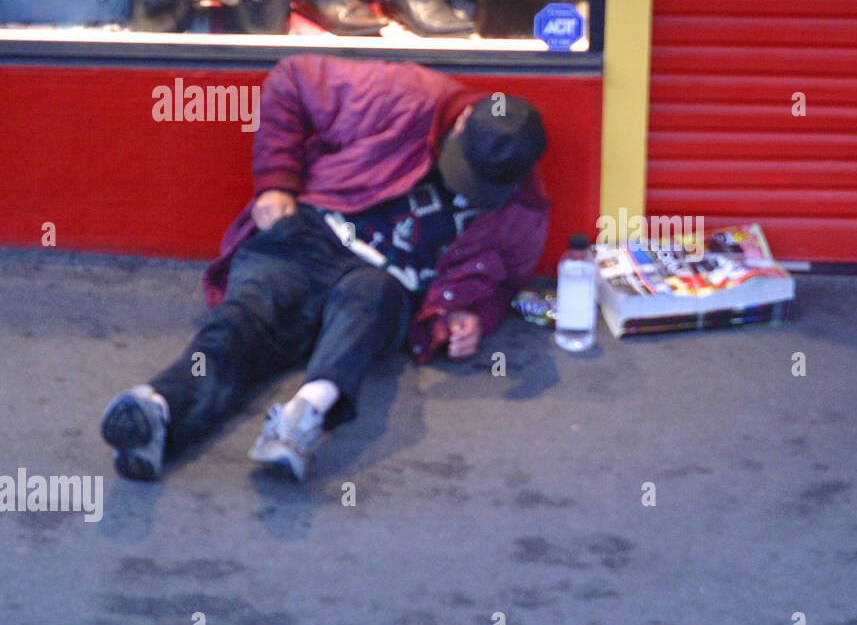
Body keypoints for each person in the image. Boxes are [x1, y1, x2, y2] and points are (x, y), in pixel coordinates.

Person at [99, 54, 550, 482]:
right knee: (244, 319)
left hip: (387, 280)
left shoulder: (522, 208)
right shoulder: (404, 94)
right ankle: (159, 409)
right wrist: (276, 182)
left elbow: (504, 282)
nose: (466, 185)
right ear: (464, 122)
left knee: (363, 311)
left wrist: (468, 314)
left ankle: (302, 418)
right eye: (463, 167)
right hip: (314, 233)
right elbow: (292, 79)